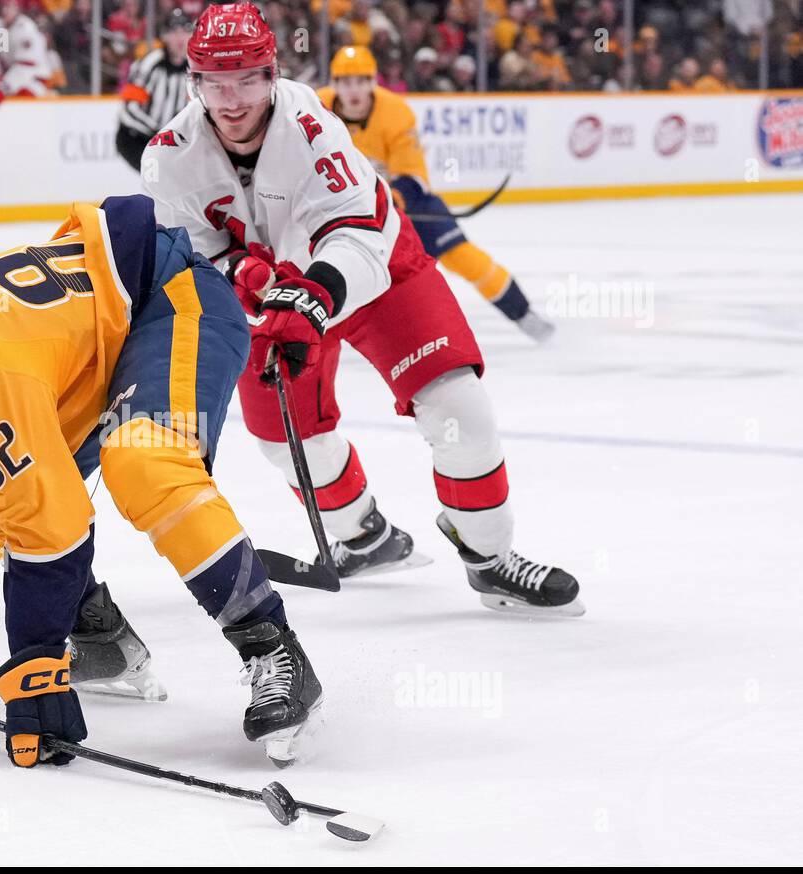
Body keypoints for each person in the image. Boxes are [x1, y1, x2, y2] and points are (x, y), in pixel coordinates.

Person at [0, 194, 325, 766]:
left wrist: (35, 660)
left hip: (167, 301)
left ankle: (270, 645)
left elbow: (48, 524)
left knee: (141, 459)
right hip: (79, 360)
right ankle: (98, 637)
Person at [143, 5, 583, 615]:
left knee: (459, 407)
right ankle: (362, 534)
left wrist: (314, 295)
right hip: (270, 299)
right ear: (194, 83)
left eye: (246, 78)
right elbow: (189, 251)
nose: (232, 98)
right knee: (284, 441)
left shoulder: (311, 126)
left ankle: (490, 558)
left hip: (374, 272)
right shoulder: (168, 157)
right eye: (215, 82)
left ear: (273, 75)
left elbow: (357, 228)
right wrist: (241, 273)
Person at [320, 46, 555, 342]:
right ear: (334, 83)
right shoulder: (317, 107)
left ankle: (524, 315)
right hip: (344, 211)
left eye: (360, 81)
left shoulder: (395, 112)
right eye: (344, 82)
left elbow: (414, 175)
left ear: (373, 82)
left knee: (465, 258)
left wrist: (391, 200)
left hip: (404, 206)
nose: (352, 90)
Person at [115, 7, 192, 171]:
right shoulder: (149, 64)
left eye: (185, 31)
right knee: (162, 180)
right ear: (164, 36)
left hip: (166, 144)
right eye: (174, 32)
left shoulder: (195, 68)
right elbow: (129, 108)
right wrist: (158, 133)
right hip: (135, 138)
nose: (180, 38)